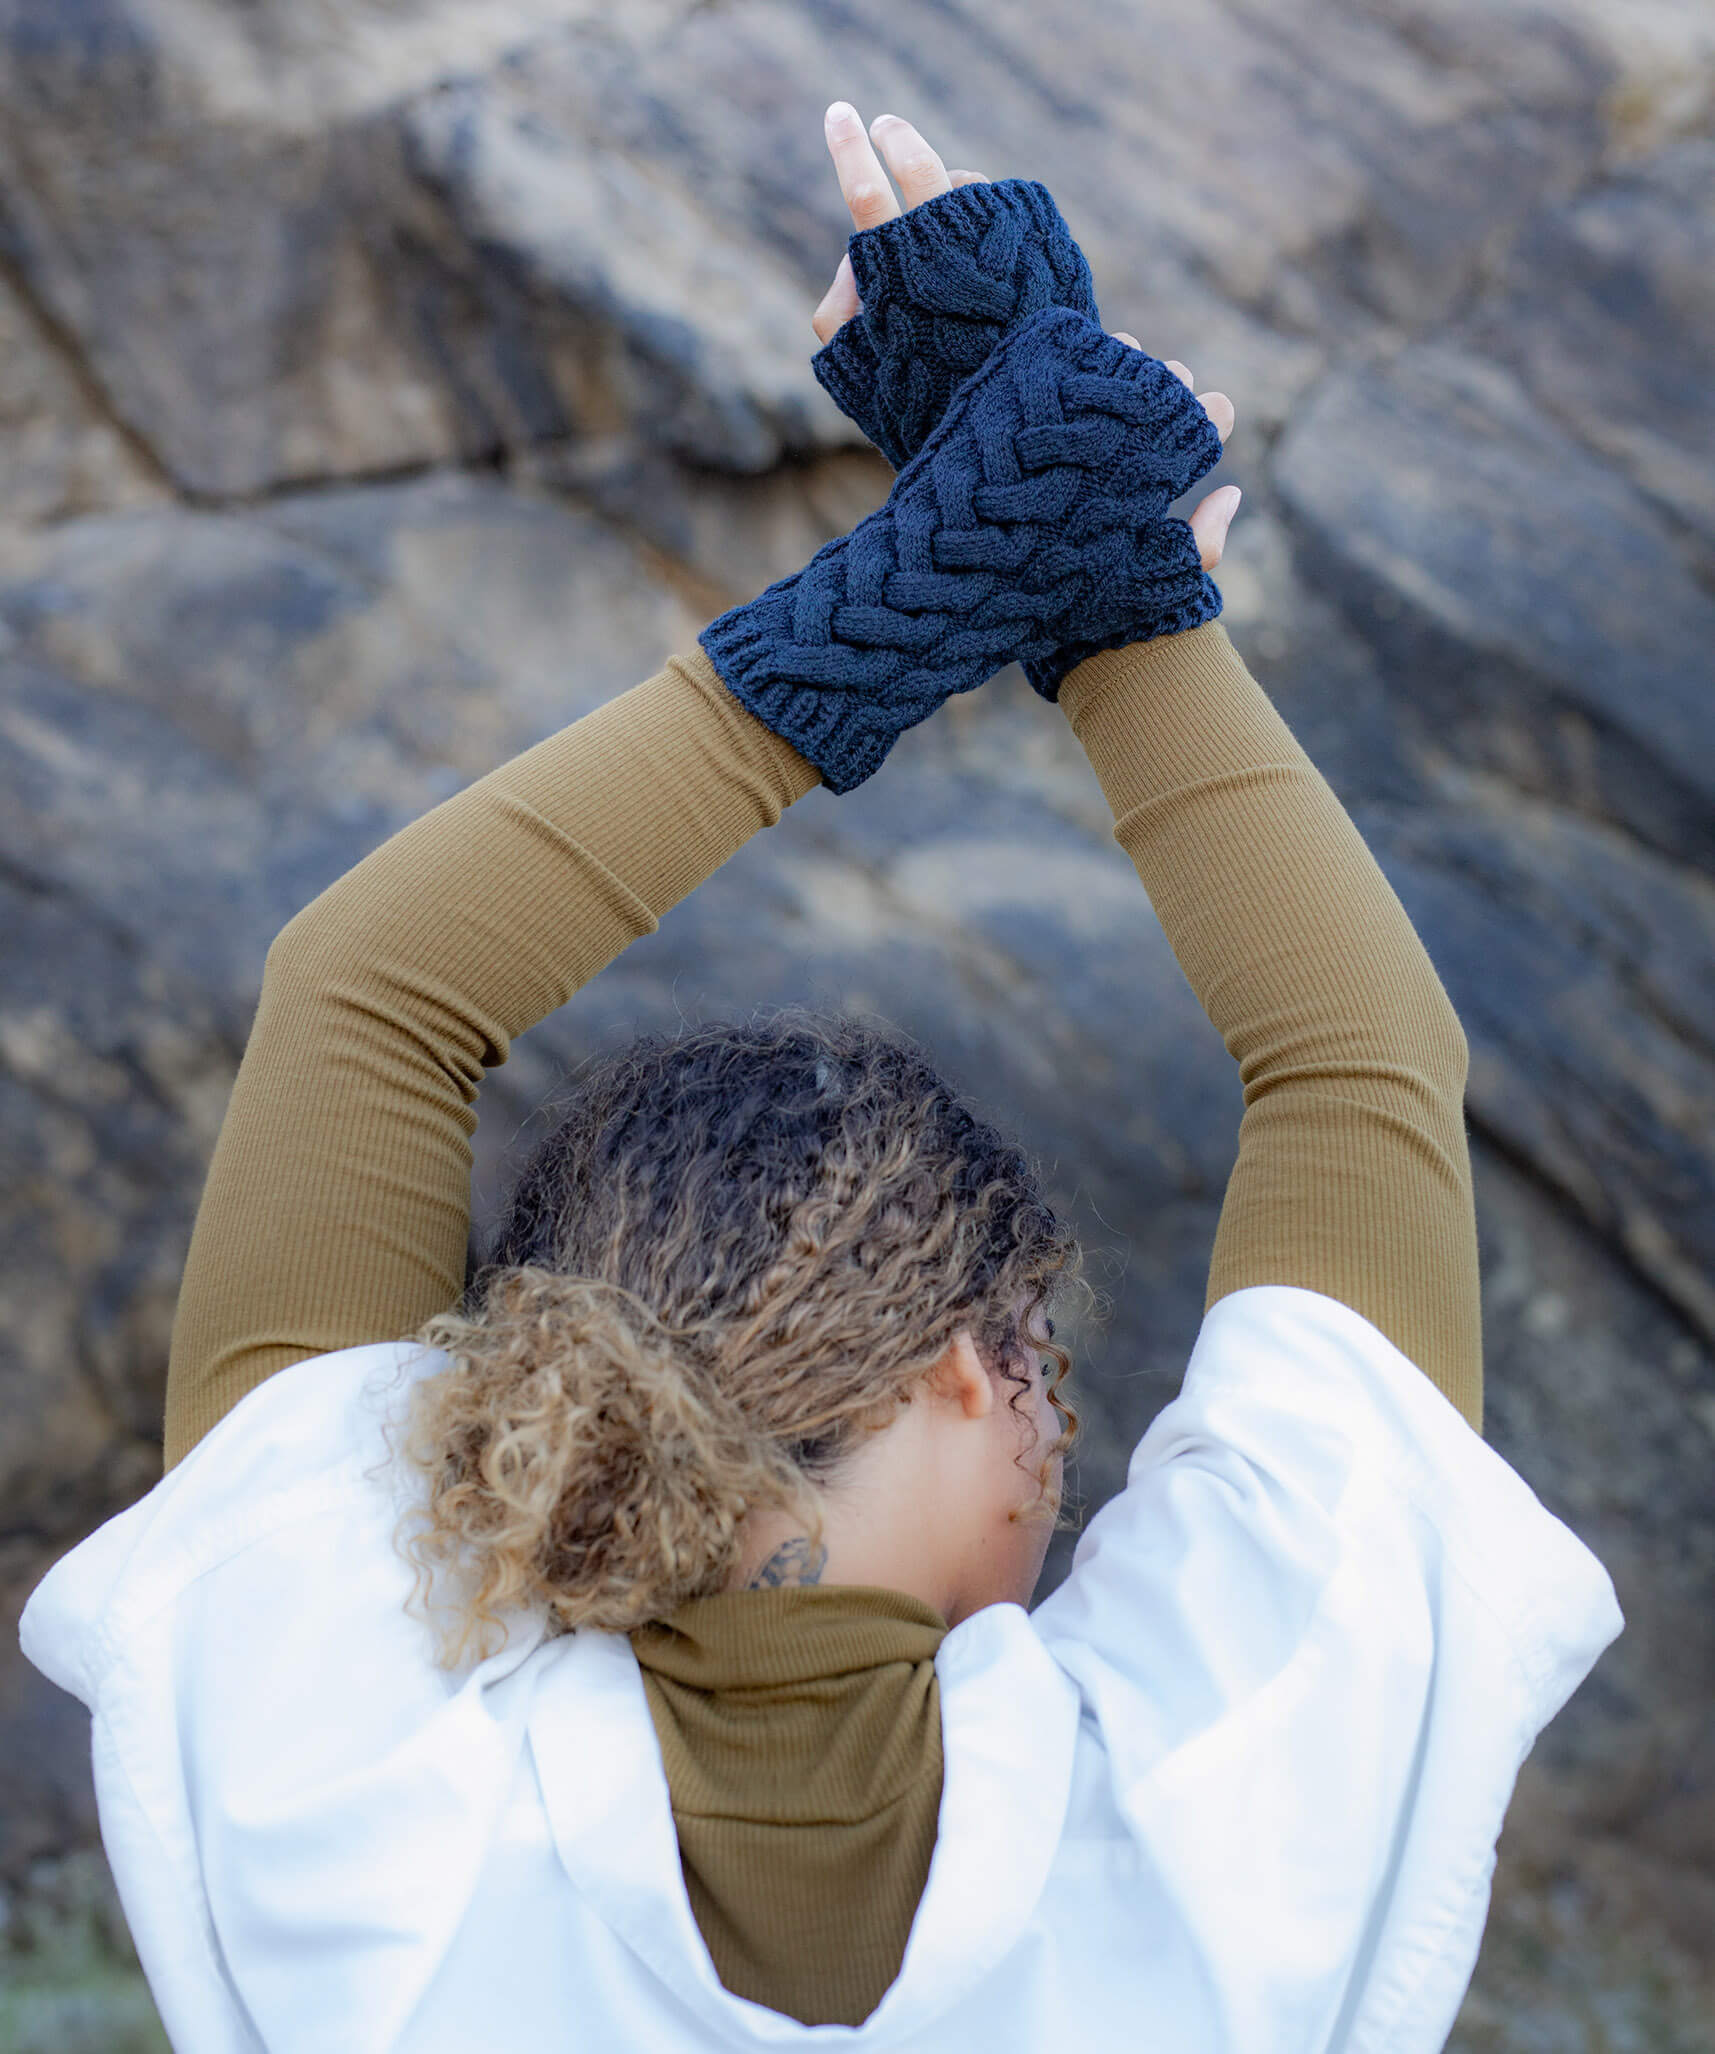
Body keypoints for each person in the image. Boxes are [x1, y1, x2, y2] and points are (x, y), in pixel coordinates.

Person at [20, 104, 1620, 2052]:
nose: (1065, 1435)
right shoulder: (1213, 1810)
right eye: (1048, 1356)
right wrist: (1117, 600)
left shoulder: (356, 1813)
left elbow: (365, 993)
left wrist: (934, 576)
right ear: (960, 1366)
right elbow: (1362, 1057)